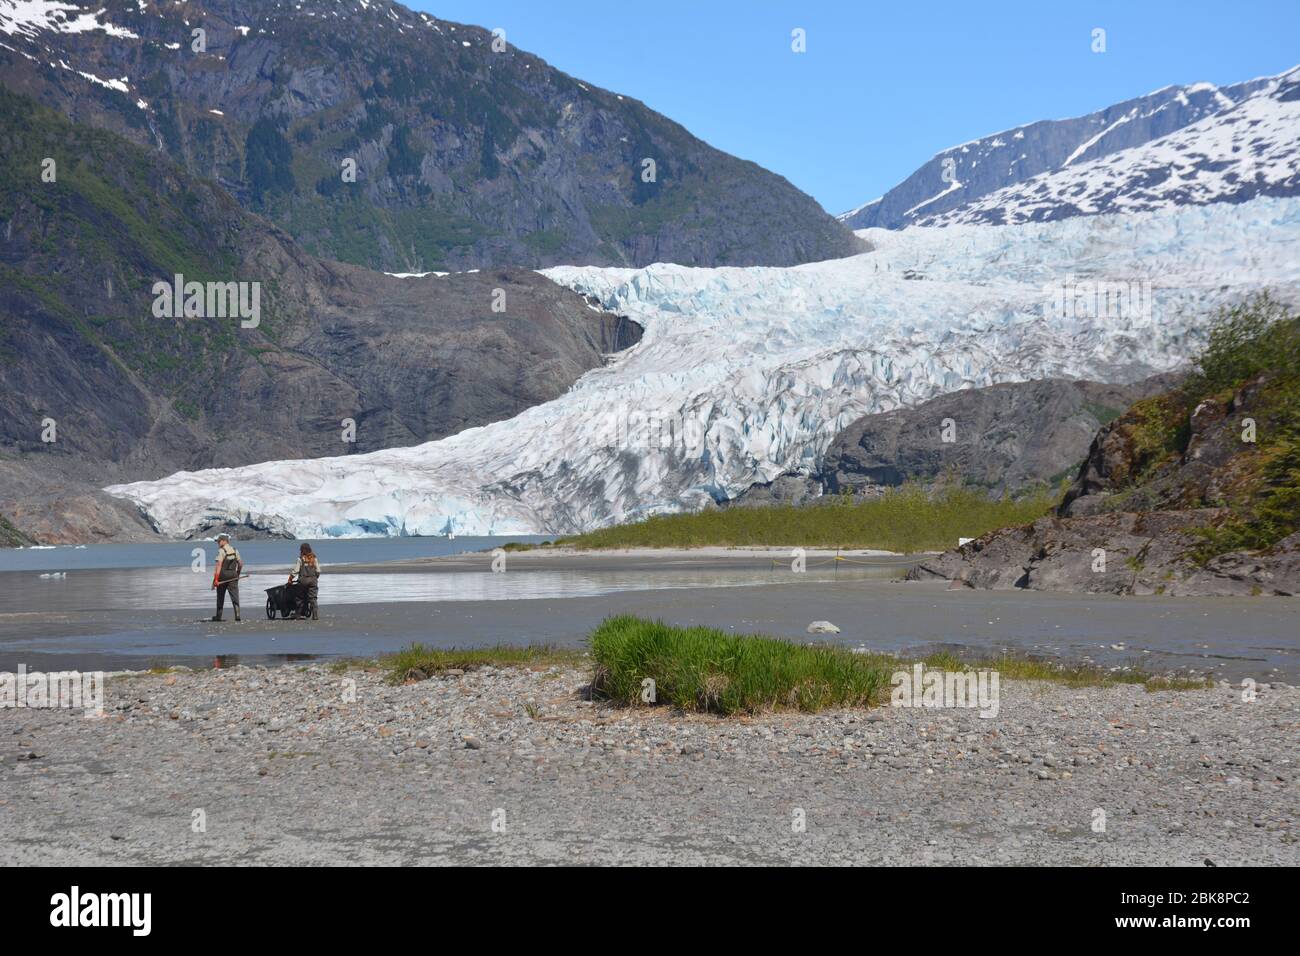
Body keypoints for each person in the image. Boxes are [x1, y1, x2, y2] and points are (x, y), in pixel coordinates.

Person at [210, 533, 242, 622]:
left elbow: (218, 566)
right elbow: (240, 564)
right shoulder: (235, 550)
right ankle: (238, 615)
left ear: (224, 541)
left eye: (219, 541)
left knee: (220, 596)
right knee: (235, 596)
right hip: (233, 575)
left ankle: (218, 616)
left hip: (223, 576)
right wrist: (237, 574)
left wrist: (216, 579)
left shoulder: (221, 551)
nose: (218, 543)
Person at [287, 542, 321, 620]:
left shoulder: (300, 559)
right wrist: (315, 578)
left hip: (303, 580)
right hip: (313, 580)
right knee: (313, 598)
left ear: (302, 550)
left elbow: (295, 571)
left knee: (299, 597)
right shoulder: (314, 558)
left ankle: (298, 615)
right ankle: (315, 615)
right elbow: (318, 571)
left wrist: (290, 578)